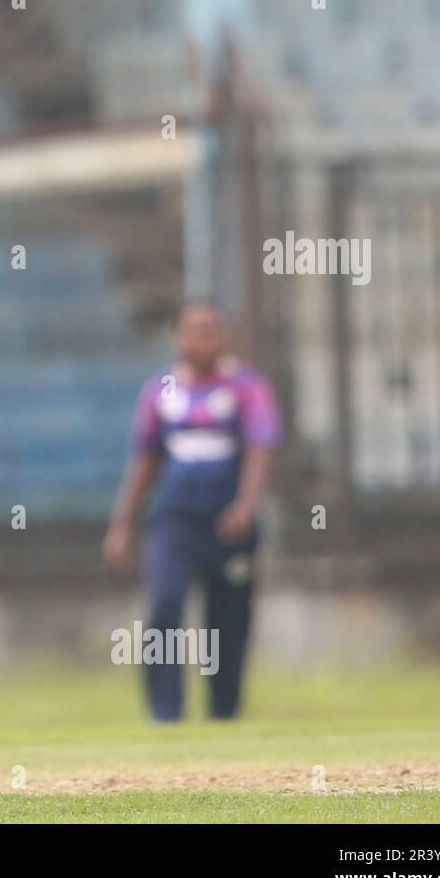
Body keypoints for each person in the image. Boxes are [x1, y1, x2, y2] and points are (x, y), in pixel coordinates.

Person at [103, 300, 281, 721]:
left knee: (228, 620)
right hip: (174, 520)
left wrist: (246, 505)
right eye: (195, 329)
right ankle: (165, 712)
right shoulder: (161, 390)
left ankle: (224, 712)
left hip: (229, 523)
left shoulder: (246, 387)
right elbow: (146, 460)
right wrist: (123, 522)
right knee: (164, 605)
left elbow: (259, 450)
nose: (204, 337)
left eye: (212, 329)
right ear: (179, 336)